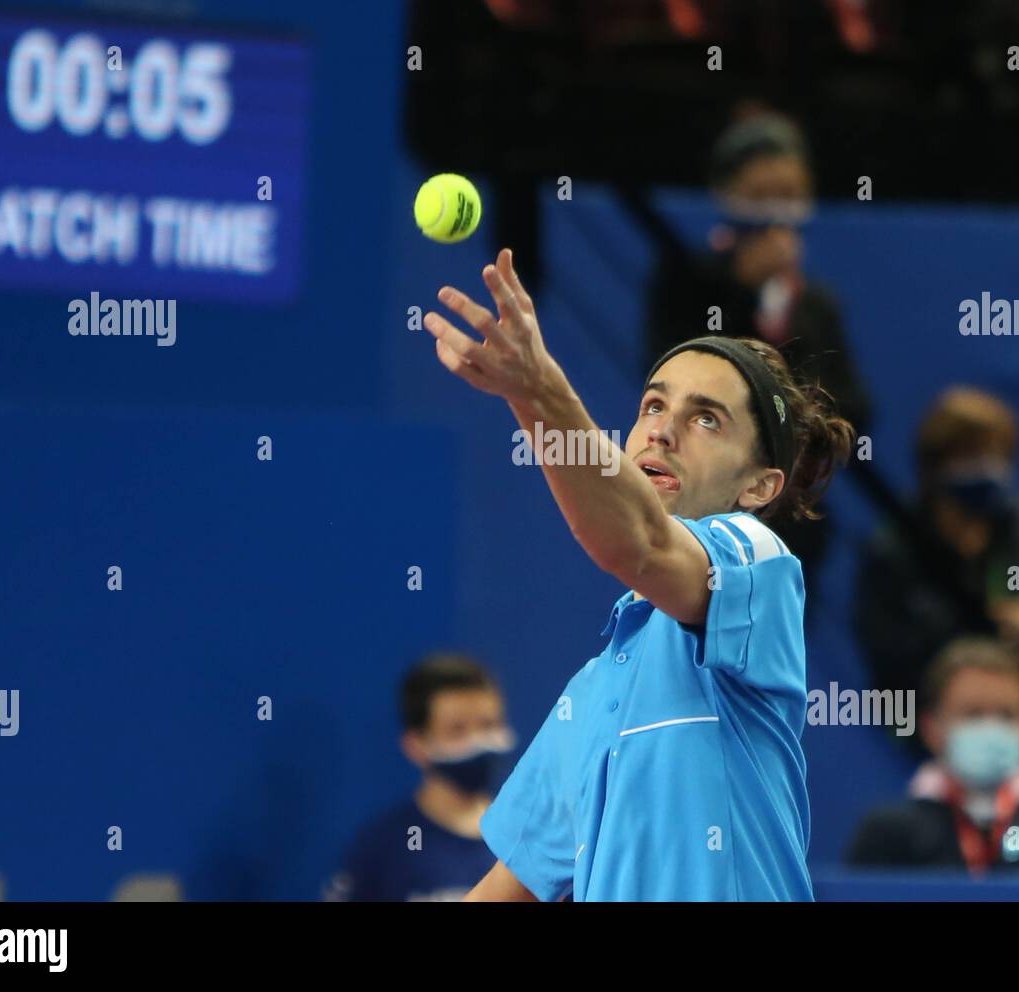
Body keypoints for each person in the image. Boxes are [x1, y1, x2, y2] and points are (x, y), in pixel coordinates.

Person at [421, 248, 853, 901]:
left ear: (760, 485)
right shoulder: (589, 695)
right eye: (653, 406)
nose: (664, 432)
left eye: (707, 419)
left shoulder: (758, 562)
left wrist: (535, 387)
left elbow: (641, 546)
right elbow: (505, 893)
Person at [645, 110, 872, 580]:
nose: (777, 209)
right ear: (729, 194)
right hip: (701, 507)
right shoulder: (689, 278)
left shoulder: (816, 304)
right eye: (762, 195)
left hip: (790, 525)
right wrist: (743, 291)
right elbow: (670, 371)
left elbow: (853, 405)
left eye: (789, 195)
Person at [854, 386, 1019, 736]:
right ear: (935, 465)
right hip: (920, 748)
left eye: (999, 455)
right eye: (972, 454)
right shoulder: (893, 553)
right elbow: (890, 675)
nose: (989, 468)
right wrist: (985, 631)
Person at [847, 637, 1019, 873]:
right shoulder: (887, 837)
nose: (991, 729)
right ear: (931, 728)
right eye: (973, 714)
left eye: (1006, 715)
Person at [325, 653, 511, 901]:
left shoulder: (527, 841)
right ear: (416, 745)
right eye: (457, 730)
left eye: (488, 726)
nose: (479, 742)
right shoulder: (381, 848)